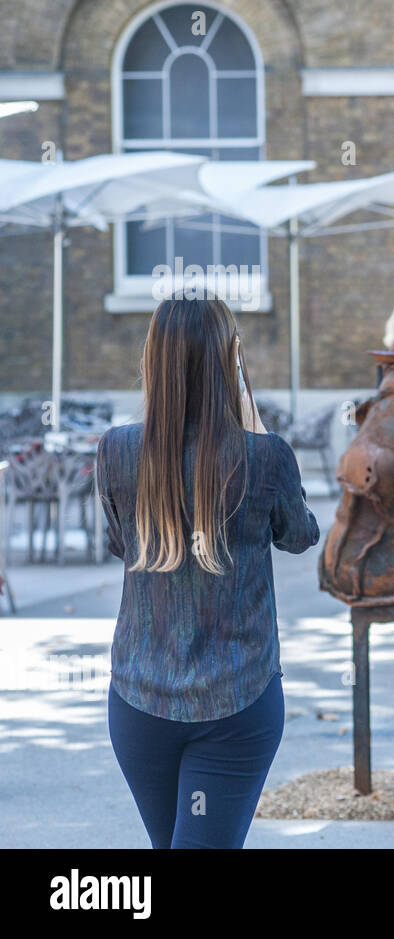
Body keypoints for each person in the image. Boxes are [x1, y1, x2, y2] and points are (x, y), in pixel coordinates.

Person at [96, 294, 319, 849]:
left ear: (152, 358)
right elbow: (299, 535)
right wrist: (255, 426)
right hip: (237, 698)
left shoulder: (117, 450)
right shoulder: (265, 456)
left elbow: (122, 545)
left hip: (140, 700)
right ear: (231, 361)